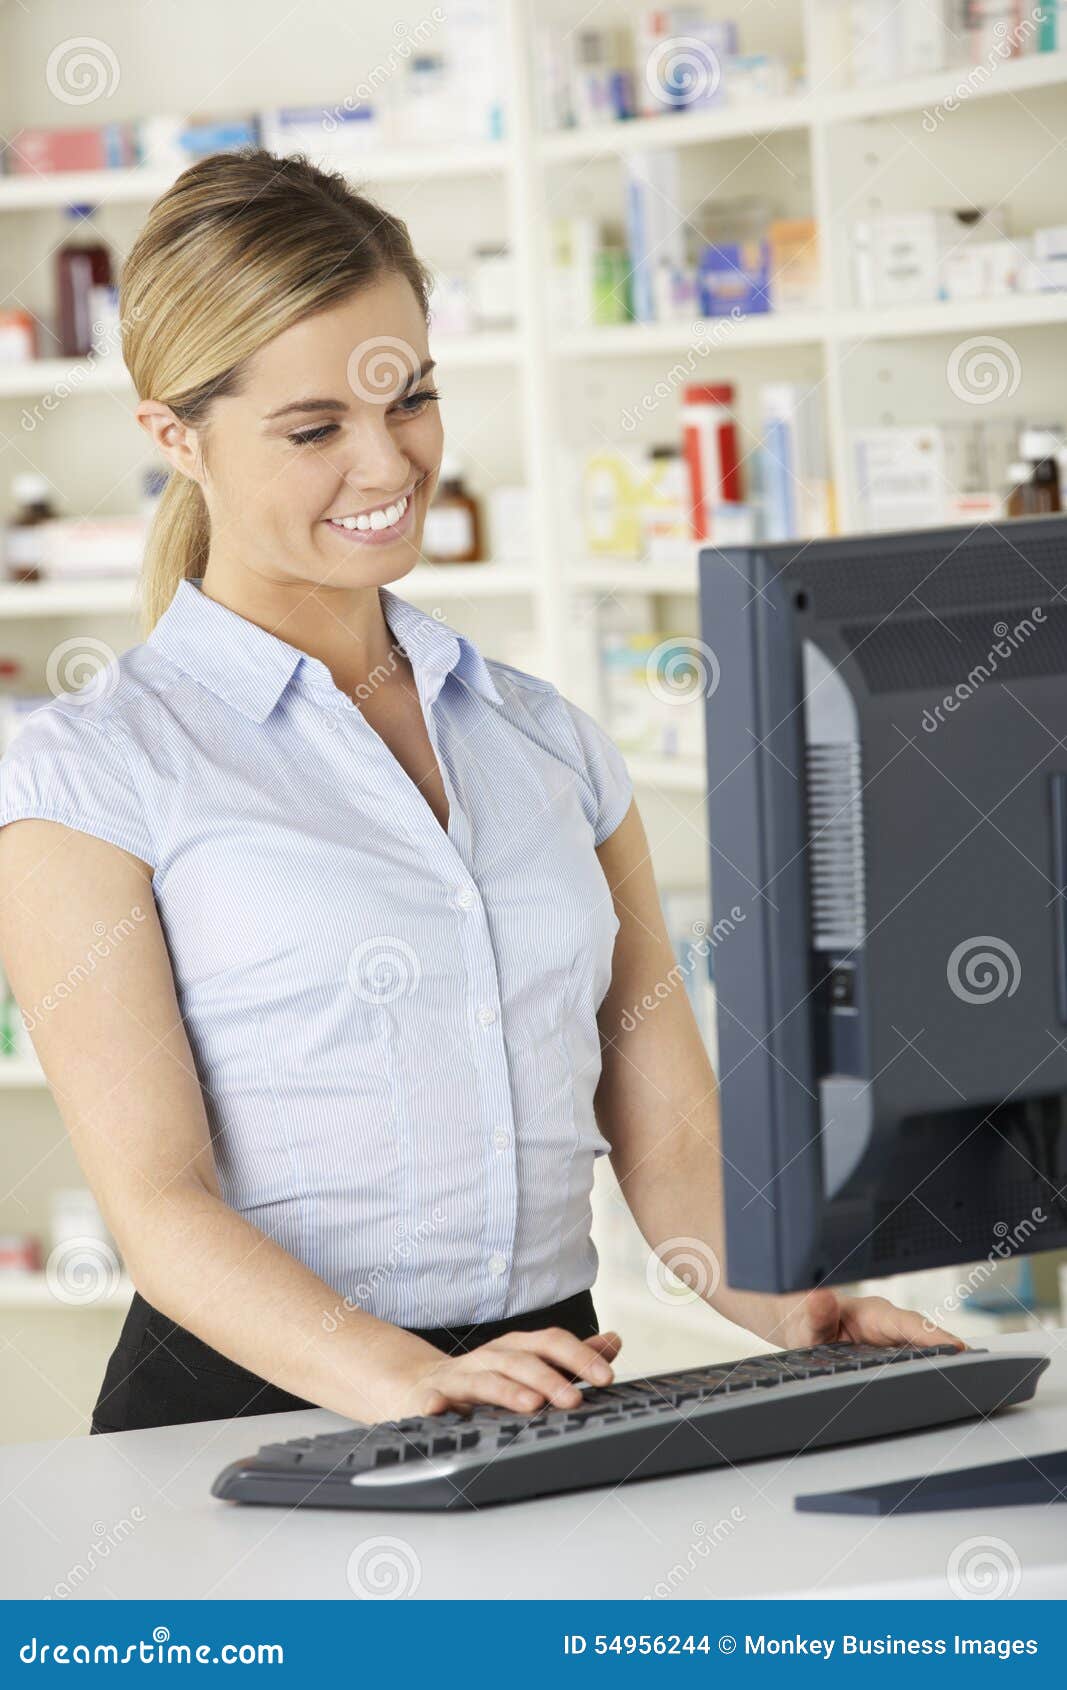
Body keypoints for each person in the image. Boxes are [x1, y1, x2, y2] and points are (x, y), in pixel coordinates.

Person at [0, 150, 961, 1436]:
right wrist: (402, 1379)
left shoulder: (540, 737)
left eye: (408, 399)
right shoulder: (93, 771)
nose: (388, 463)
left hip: (540, 1389)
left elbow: (666, 1138)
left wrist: (791, 1303)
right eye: (312, 429)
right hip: (245, 1414)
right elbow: (161, 1203)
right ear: (174, 434)